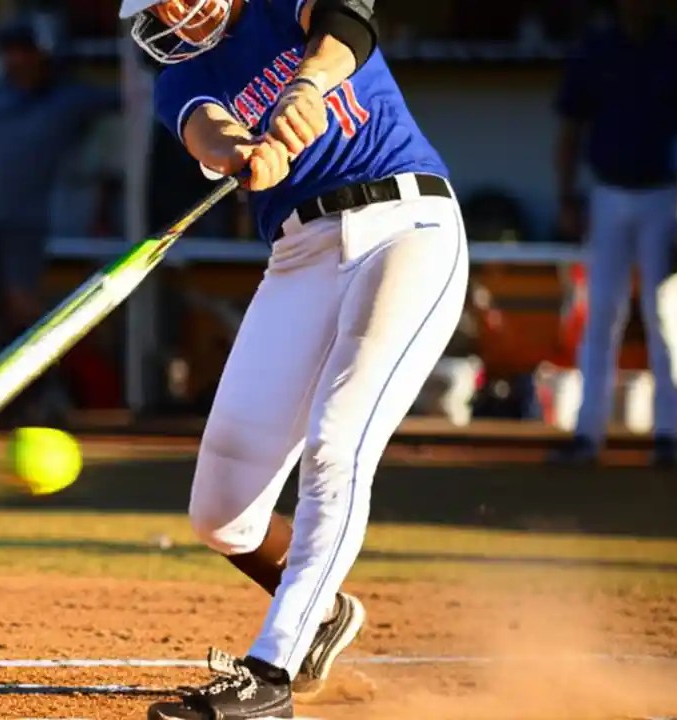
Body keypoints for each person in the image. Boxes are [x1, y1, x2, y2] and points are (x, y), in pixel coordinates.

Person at [117, 1, 468, 718]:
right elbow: (207, 130)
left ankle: (271, 674)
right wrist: (243, 152)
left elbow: (349, 23)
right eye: (158, 9)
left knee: (336, 443)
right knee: (222, 515)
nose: (173, 14)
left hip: (406, 224)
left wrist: (306, 87)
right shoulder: (178, 77)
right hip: (300, 254)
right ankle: (322, 612)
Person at [550, 0, 677, 468]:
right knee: (600, 313)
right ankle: (588, 434)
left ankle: (668, 435)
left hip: (668, 195)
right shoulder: (598, 47)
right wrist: (567, 194)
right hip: (609, 193)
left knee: (664, 313)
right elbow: (571, 125)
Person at [0, 17, 120, 421]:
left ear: (44, 55)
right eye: (9, 51)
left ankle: (54, 393)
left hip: (25, 222)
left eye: (23, 50)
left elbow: (131, 97)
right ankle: (8, 404)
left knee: (22, 309)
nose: (13, 59)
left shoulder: (69, 99)